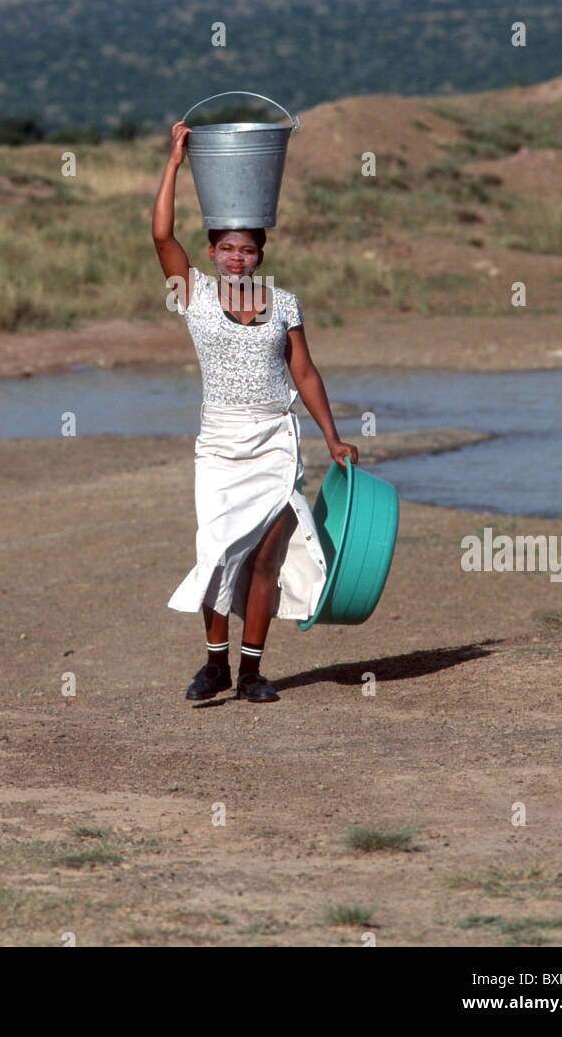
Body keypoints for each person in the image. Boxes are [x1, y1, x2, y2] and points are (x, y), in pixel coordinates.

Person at [152, 119, 358, 703]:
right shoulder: (191, 294)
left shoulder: (284, 300)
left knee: (267, 557)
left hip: (275, 437)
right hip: (219, 442)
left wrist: (333, 438)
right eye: (226, 249)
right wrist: (174, 162)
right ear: (213, 251)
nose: (237, 258)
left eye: (248, 250)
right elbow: (162, 234)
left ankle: (251, 671)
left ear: (259, 253)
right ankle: (213, 664)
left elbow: (305, 372)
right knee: (216, 553)